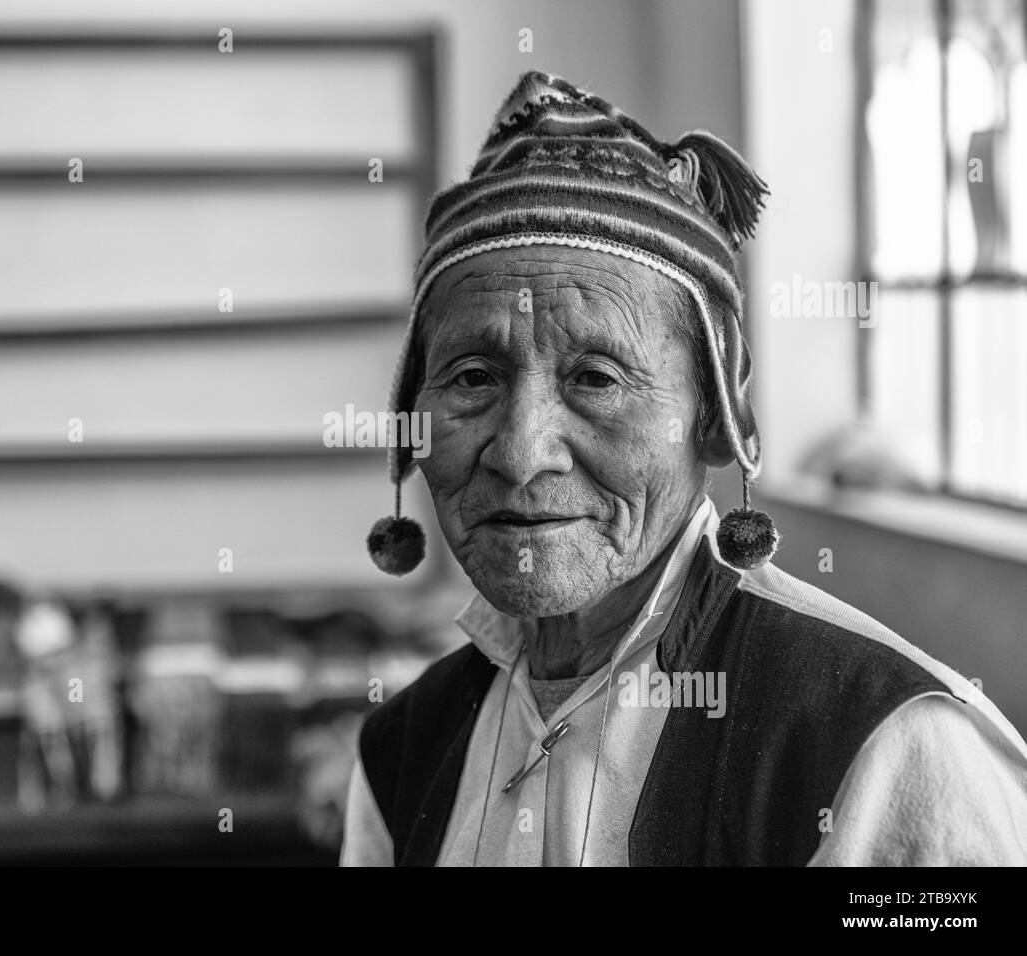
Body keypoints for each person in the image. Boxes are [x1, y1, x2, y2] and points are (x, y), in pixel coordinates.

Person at [342, 71, 1027, 866]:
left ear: (714, 418)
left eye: (595, 378)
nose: (522, 454)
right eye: (472, 379)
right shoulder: (403, 753)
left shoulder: (882, 745)